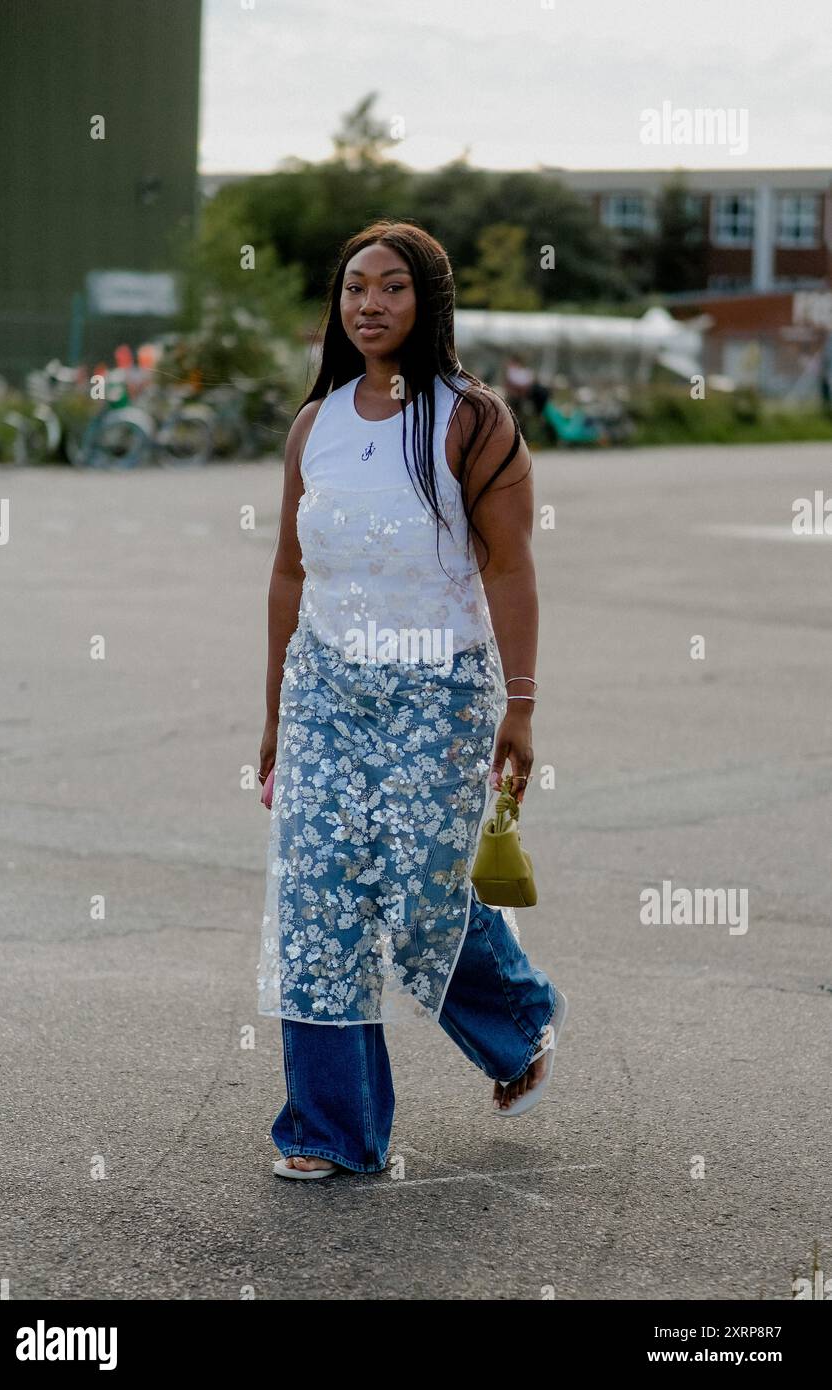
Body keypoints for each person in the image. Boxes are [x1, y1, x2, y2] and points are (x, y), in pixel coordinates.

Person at [257, 221, 567, 1179]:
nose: (370, 305)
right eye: (355, 289)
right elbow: (287, 573)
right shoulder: (316, 423)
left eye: (391, 288)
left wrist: (520, 706)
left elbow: (512, 569)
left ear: (427, 303)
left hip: (440, 685)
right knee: (317, 902)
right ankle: (329, 1129)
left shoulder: (472, 420)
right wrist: (274, 713)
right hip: (327, 686)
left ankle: (518, 1019)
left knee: (421, 891)